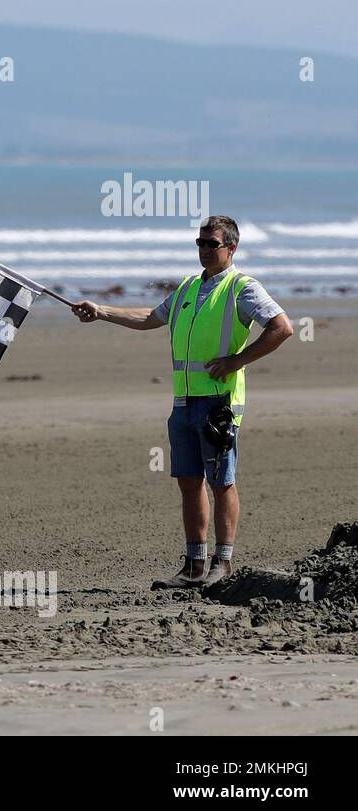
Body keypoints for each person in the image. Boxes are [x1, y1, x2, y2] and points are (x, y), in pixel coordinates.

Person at [69, 215, 294, 588]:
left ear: (231, 249)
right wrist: (102, 311)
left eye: (213, 244)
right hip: (183, 403)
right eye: (200, 243)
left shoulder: (242, 287)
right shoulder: (189, 287)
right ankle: (194, 565)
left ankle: (222, 564)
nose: (204, 250)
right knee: (189, 483)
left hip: (219, 404)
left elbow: (281, 327)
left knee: (221, 482)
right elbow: (149, 318)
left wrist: (237, 361)